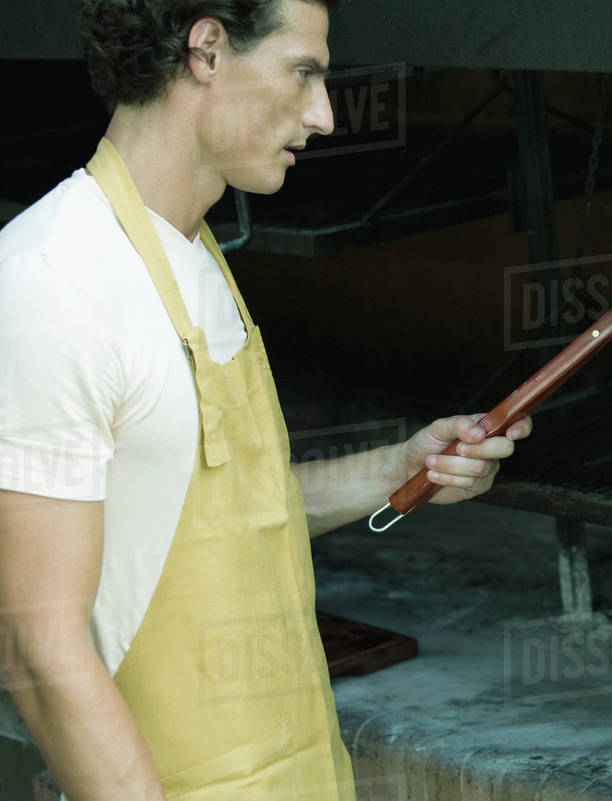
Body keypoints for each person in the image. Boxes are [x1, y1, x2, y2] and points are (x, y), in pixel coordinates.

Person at [0, 1, 531, 798]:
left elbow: (230, 507)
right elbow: (37, 647)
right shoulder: (53, 280)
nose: (321, 115)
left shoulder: (199, 255)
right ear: (208, 50)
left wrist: (402, 464)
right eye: (303, 72)